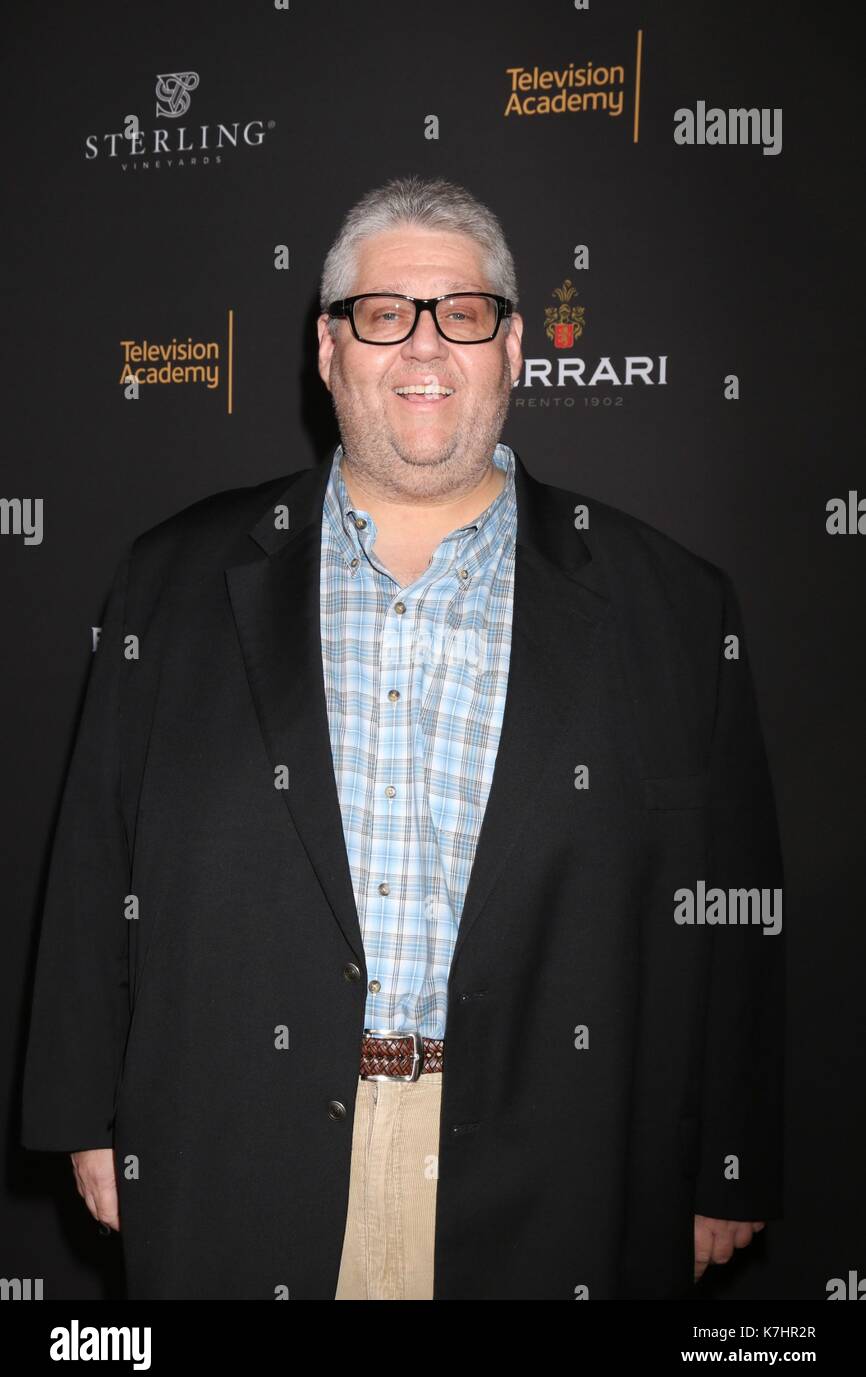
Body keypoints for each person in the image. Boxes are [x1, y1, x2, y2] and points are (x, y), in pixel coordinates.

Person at [21, 174, 785, 1299]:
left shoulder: (672, 606)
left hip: (560, 1177)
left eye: (461, 313)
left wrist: (733, 1156)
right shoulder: (172, 578)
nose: (422, 347)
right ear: (328, 348)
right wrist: (86, 1117)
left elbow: (734, 903)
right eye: (382, 313)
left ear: (513, 344)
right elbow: (96, 860)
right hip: (238, 1158)